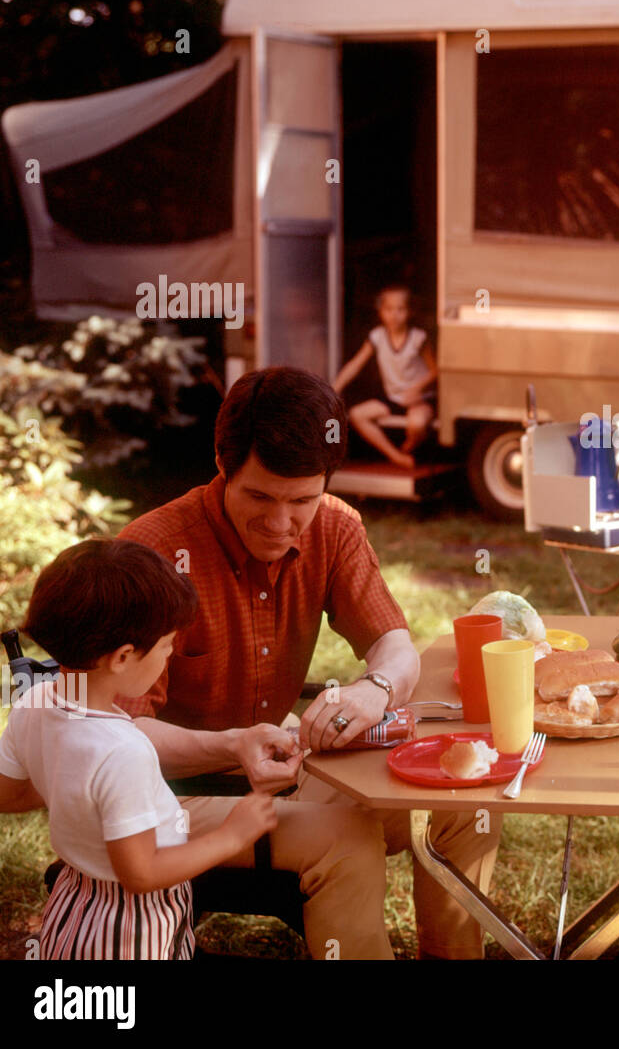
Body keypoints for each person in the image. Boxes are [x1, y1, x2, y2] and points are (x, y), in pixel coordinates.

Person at [116, 366, 499, 959]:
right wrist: (234, 745)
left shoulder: (336, 527)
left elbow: (394, 644)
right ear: (222, 464)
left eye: (302, 500)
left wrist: (375, 688)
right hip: (163, 798)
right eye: (260, 497)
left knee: (460, 807)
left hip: (280, 776)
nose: (280, 523)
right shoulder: (154, 552)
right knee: (346, 838)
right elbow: (115, 734)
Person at [0, 539, 277, 959]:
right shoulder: (125, 751)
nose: (171, 653)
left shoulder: (34, 702)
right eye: (166, 645)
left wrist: (72, 790)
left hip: (73, 906)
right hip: (132, 929)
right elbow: (141, 873)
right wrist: (233, 835)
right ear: (122, 657)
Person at [333, 284, 437, 467]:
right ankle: (395, 456)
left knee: (417, 425)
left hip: (418, 399)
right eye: (389, 309)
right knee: (357, 415)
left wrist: (417, 389)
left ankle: (408, 446)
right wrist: (335, 388)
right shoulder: (377, 336)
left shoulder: (418, 338)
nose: (394, 315)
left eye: (400, 309)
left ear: (410, 312)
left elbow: (436, 371)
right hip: (393, 398)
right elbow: (355, 365)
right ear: (380, 311)